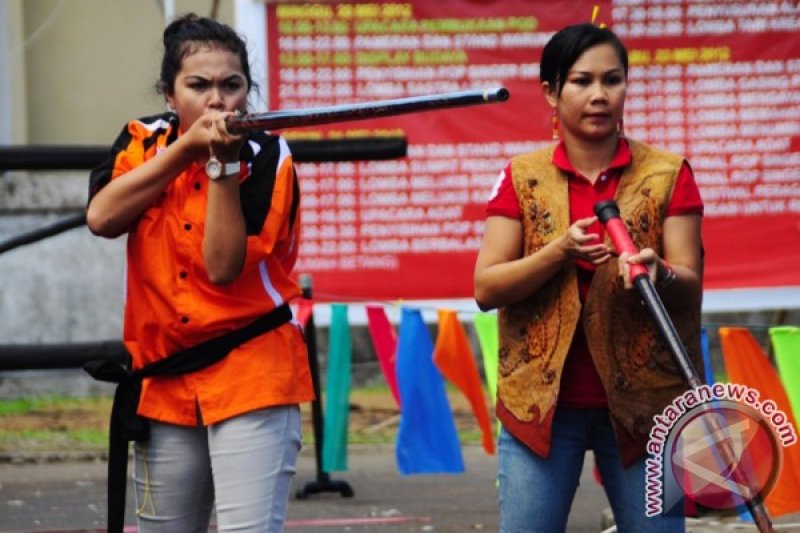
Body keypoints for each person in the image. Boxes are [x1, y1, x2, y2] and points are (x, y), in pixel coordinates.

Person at [86, 14, 313, 533]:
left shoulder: (269, 155)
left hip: (251, 370)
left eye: (232, 86)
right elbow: (101, 217)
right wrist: (185, 150)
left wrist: (221, 167)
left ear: (247, 93)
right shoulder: (141, 141)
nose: (217, 101)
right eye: (199, 85)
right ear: (170, 95)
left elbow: (222, 267)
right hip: (164, 376)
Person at [473, 23, 704, 533]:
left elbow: (691, 284)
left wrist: (658, 271)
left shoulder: (669, 173)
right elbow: (486, 289)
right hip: (538, 410)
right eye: (581, 81)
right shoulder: (520, 175)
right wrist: (558, 251)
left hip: (649, 409)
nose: (599, 95)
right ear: (552, 92)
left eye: (612, 79)